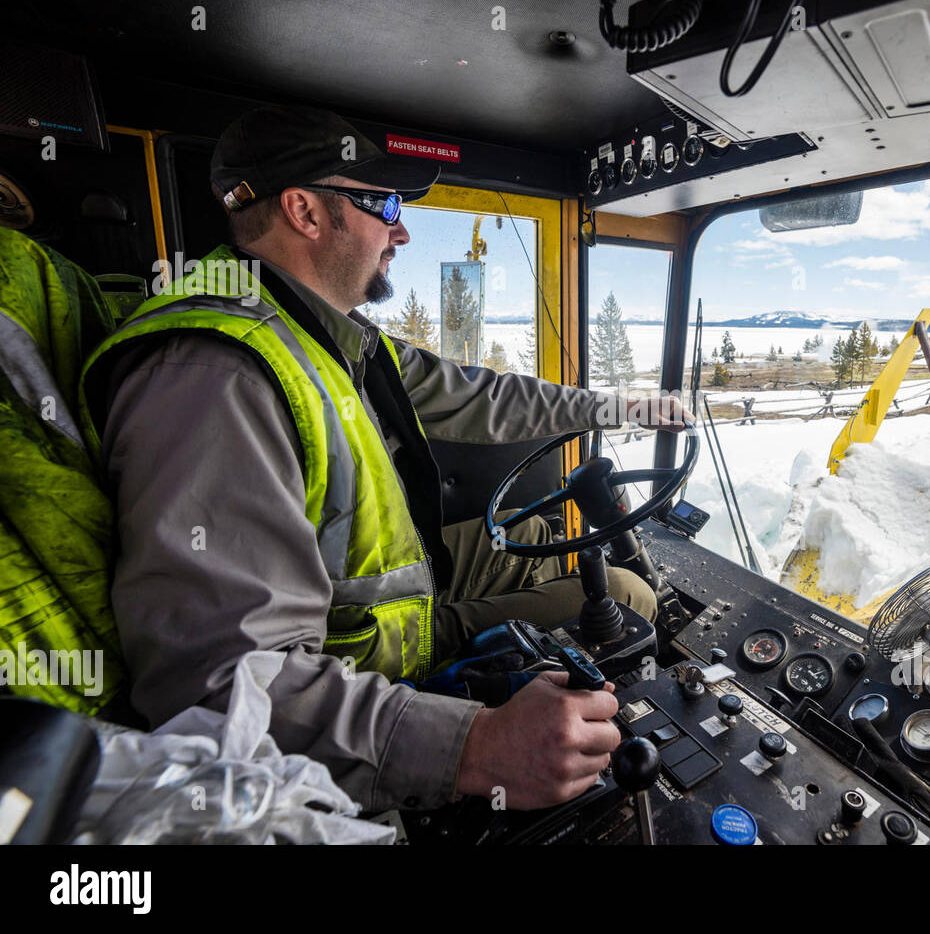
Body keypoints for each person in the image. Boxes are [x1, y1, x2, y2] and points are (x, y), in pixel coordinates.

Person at [78, 106, 690, 812]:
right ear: (305, 211)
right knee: (626, 596)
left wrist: (612, 407)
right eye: (383, 205)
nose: (400, 230)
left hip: (396, 586)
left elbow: (480, 394)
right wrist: (474, 744)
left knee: (548, 538)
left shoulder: (321, 332)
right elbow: (223, 689)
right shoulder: (217, 378)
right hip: (369, 649)